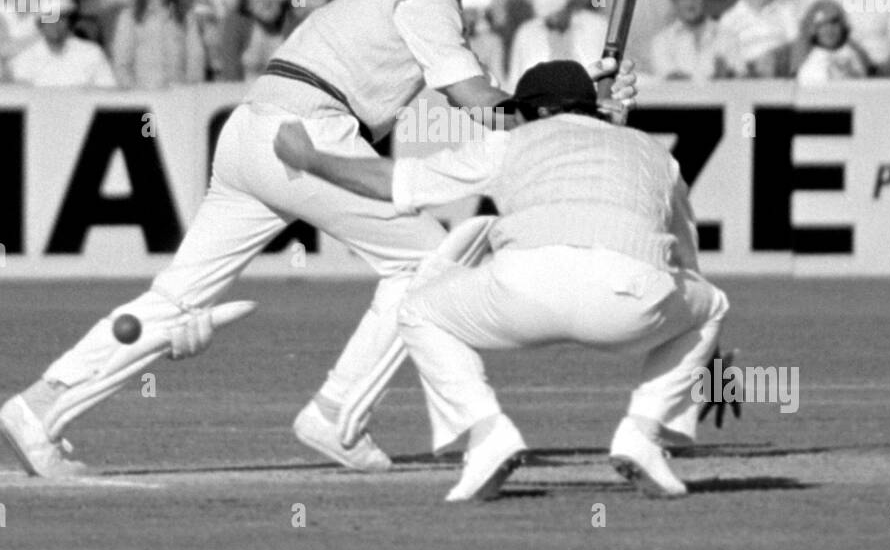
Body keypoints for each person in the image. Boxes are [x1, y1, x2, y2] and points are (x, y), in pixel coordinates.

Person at [0, 0, 637, 478]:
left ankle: (39, 408)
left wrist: (580, 91)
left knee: (176, 299)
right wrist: (579, 111)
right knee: (430, 263)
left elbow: (498, 101)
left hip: (251, 133)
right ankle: (337, 414)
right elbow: (478, 102)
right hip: (309, 129)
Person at [271, 59, 729, 501]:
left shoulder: (510, 145)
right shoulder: (654, 154)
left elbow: (389, 181)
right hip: (629, 300)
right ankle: (643, 432)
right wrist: (695, 364)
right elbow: (685, 263)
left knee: (416, 310)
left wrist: (310, 158)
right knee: (712, 305)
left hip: (524, 290)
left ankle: (488, 434)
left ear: (534, 111)